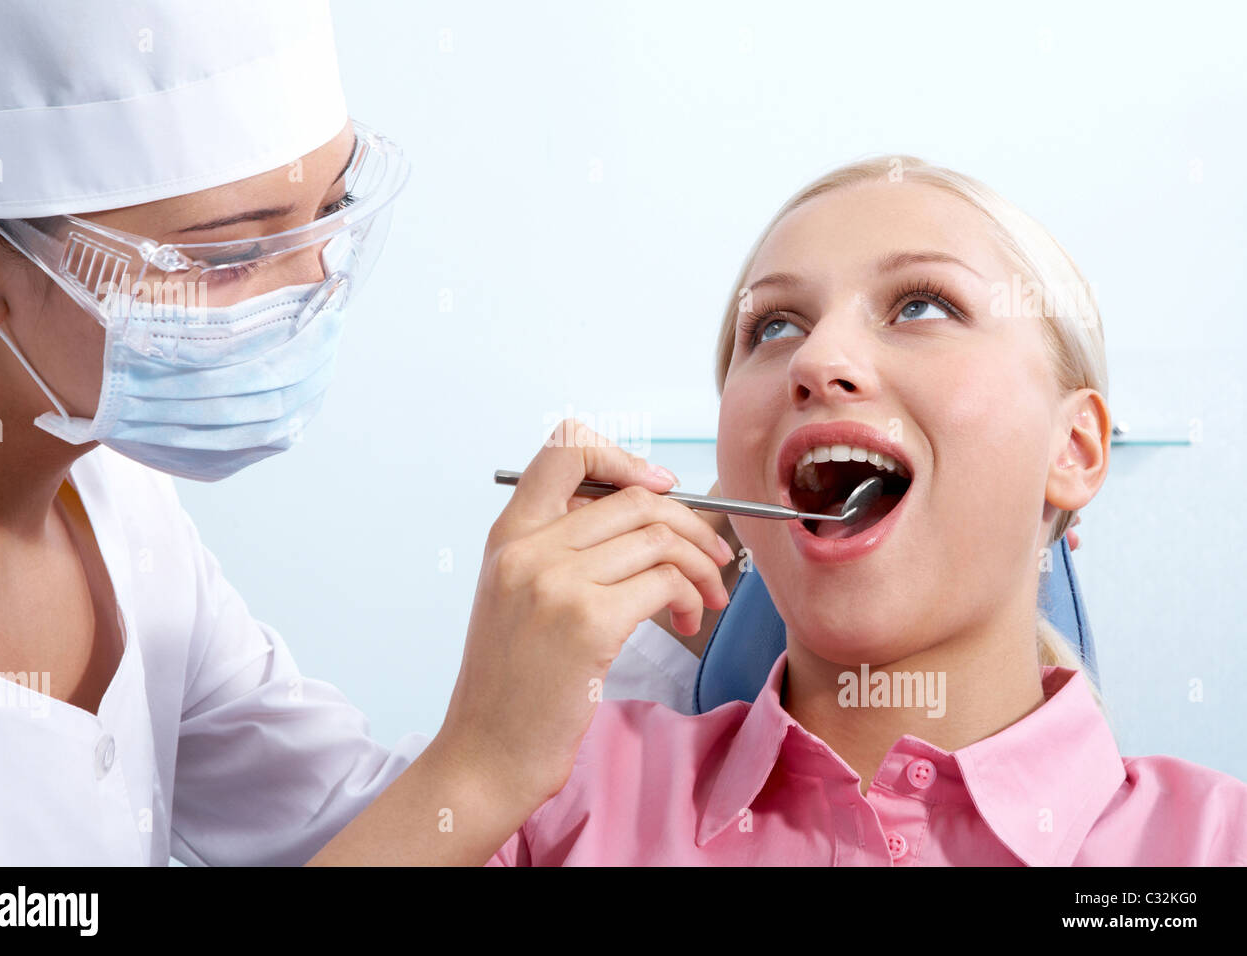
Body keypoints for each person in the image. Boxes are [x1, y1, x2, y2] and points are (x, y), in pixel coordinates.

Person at [0, 0, 731, 865]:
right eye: (229, 258)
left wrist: (638, 626)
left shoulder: (118, 508)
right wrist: (482, 763)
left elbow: (350, 828)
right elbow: (444, 803)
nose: (313, 288)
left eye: (331, 210)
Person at [482, 154, 1247, 866]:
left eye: (922, 305)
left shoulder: (1213, 845)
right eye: (774, 327)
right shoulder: (543, 791)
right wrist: (479, 772)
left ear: (1073, 450)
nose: (816, 361)